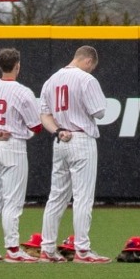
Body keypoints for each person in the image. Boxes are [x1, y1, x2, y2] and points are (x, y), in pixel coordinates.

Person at [38, 45, 110, 264]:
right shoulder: (86, 80)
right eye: (92, 67)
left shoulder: (51, 80)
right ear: (88, 61)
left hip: (60, 138)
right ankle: (82, 250)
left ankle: (47, 249)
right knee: (83, 198)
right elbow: (100, 111)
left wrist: (58, 130)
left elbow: (44, 115)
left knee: (57, 196)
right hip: (81, 138)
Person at [0, 47, 44, 262]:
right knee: (12, 201)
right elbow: (36, 126)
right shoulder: (22, 91)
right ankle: (13, 249)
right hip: (13, 146)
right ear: (18, 66)